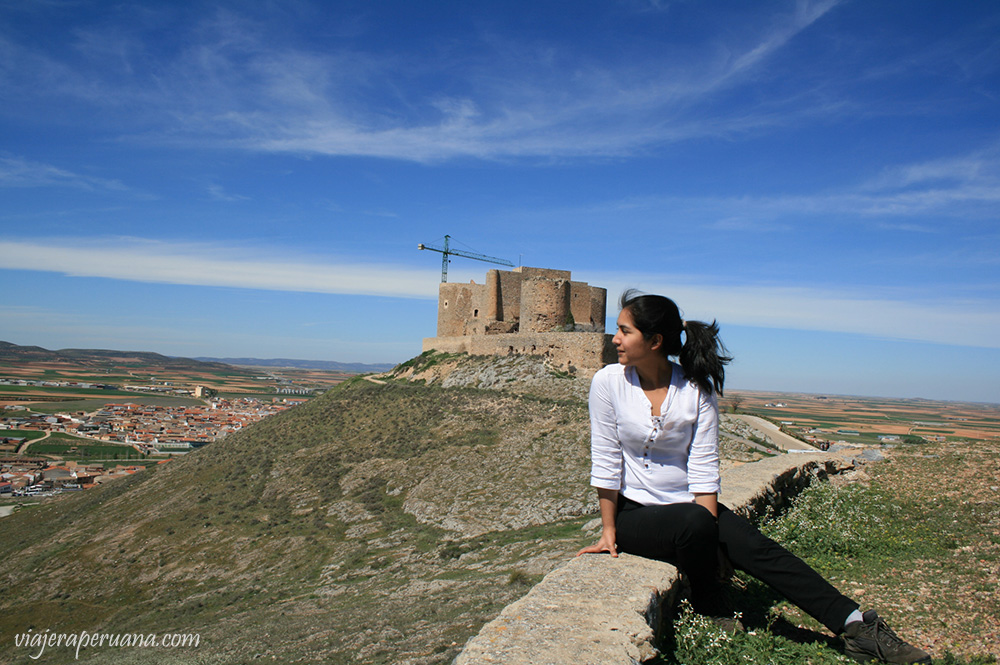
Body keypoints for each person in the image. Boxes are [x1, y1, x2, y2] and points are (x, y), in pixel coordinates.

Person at [576, 290, 931, 665]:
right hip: (636, 516)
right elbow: (606, 459)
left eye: (623, 331)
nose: (614, 338)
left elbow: (703, 466)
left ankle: (855, 625)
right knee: (696, 522)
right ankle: (711, 602)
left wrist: (711, 532)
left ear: (655, 341)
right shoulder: (608, 382)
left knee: (758, 548)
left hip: (692, 510)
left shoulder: (695, 388)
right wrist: (609, 530)